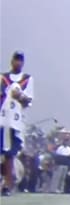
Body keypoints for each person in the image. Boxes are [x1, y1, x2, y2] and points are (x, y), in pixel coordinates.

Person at [1, 51, 33, 196]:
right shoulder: (3, 78)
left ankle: (8, 185)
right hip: (2, 119)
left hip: (15, 121)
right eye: (16, 60)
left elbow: (28, 101)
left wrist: (19, 95)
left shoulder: (27, 79)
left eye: (21, 60)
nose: (18, 63)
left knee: (10, 154)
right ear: (12, 61)